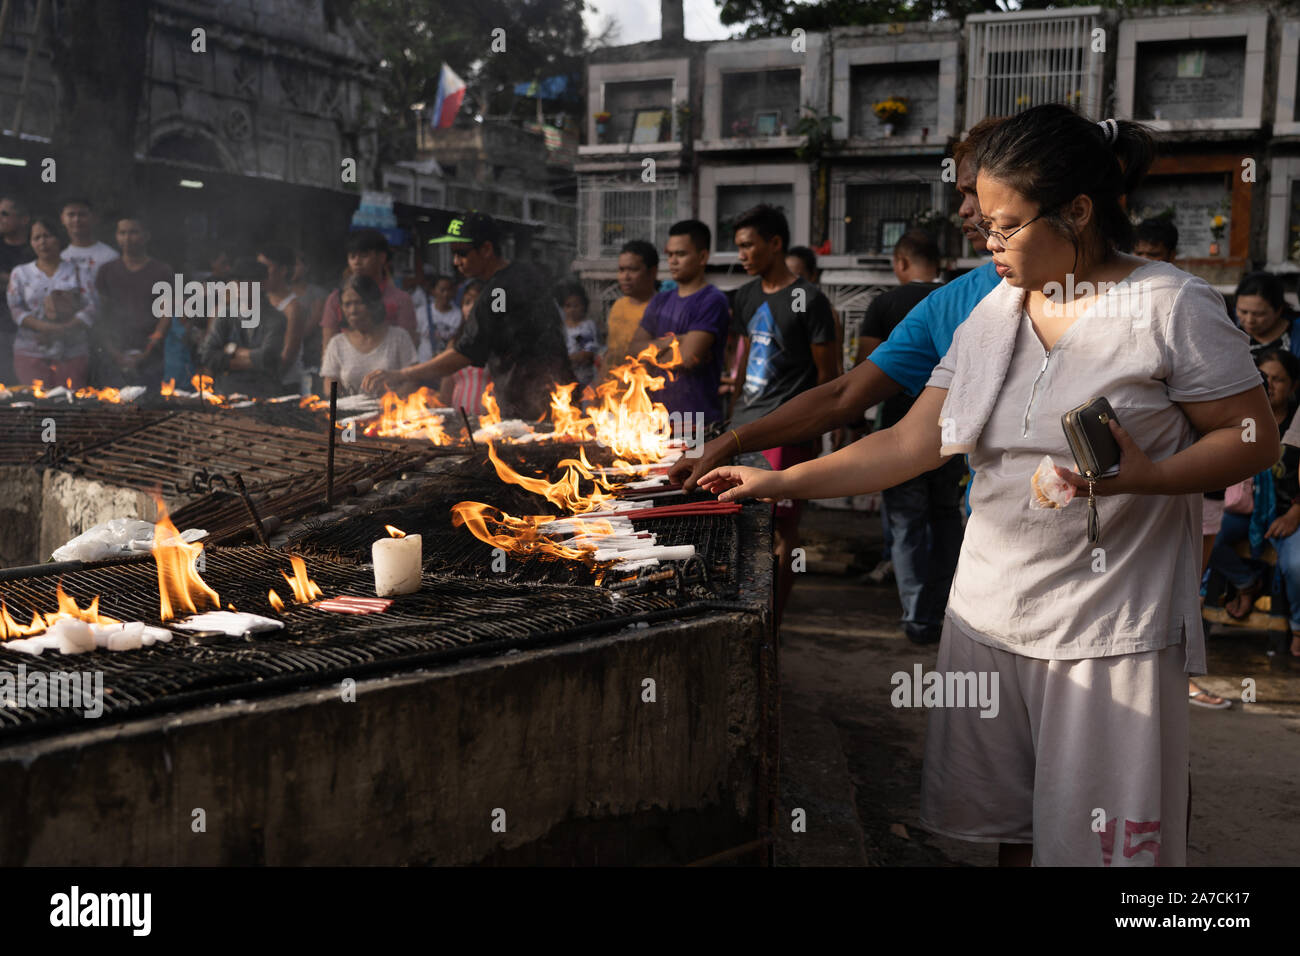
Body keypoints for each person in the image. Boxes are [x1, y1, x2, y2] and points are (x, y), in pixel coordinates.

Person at [700, 105, 1276, 867]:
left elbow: (1250, 437)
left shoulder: (1168, 305)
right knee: (1008, 829)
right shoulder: (993, 311)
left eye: (1006, 227)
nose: (988, 242)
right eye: (984, 225)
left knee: (1098, 846)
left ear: (1077, 211)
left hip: (1106, 629)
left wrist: (1154, 476)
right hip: (988, 612)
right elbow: (911, 441)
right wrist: (775, 480)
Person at [669, 117, 1006, 495]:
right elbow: (854, 403)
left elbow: (830, 378)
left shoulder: (1077, 303)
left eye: (971, 192)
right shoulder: (951, 304)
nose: (964, 210)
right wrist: (736, 443)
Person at [723, 205, 839, 629]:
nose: (742, 254)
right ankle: (742, 616)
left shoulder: (810, 299)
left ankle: (772, 622)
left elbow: (829, 377)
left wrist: (827, 429)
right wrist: (730, 419)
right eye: (738, 246)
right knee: (738, 523)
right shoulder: (746, 295)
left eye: (749, 244)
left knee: (780, 531)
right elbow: (739, 364)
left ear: (775, 243)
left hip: (788, 434)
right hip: (743, 429)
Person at [855, 229, 964, 645]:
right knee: (945, 516)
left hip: (898, 435)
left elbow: (864, 371)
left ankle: (919, 619)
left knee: (906, 525)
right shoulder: (962, 298)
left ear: (901, 263)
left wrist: (857, 423)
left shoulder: (885, 303)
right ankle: (949, 608)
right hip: (952, 431)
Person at [361, 211, 572, 420]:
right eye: (453, 253)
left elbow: (465, 353)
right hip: (555, 399)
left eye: (462, 253)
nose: (455, 261)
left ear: (487, 249)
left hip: (533, 407)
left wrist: (402, 374)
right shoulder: (522, 275)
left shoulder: (499, 290)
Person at [1208, 350, 1300, 654]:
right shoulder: (1241, 415)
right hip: (1245, 507)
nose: (1270, 385)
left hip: (1290, 512)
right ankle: (1247, 582)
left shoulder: (1298, 419)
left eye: (1279, 379)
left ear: (1294, 385)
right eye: (1265, 378)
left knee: (1296, 564)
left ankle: (1298, 626)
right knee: (1206, 536)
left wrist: (1295, 513)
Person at [628, 219, 731, 424]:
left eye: (681, 254)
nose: (673, 261)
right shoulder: (660, 300)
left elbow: (685, 359)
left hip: (697, 421)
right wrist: (676, 341)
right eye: (670, 254)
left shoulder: (712, 300)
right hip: (657, 420)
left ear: (702, 257)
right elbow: (633, 350)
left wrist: (653, 351)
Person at [7, 216, 93, 388]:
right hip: (30, 352)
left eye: (47, 236)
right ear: (31, 242)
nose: (42, 242)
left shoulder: (78, 271)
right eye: (36, 238)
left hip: (72, 351)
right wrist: (45, 328)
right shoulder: (20, 273)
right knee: (36, 403)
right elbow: (16, 309)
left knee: (70, 403)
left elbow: (92, 306)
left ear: (59, 239)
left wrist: (65, 328)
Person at [91, 215, 174, 387]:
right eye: (122, 232)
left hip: (151, 353)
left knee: (149, 406)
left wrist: (150, 348)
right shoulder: (106, 271)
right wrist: (113, 352)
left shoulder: (161, 271)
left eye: (133, 232)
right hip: (114, 350)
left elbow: (167, 313)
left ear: (146, 236)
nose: (127, 238)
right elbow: (101, 314)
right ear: (116, 236)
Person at [319, 229, 417, 359]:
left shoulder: (401, 300)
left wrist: (398, 378)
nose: (357, 262)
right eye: (352, 256)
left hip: (390, 375)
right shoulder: (335, 299)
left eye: (364, 255)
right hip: (345, 377)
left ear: (382, 257)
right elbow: (328, 358)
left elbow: (408, 354)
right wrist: (334, 380)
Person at [196, 259, 287, 398]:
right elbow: (208, 355)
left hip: (264, 395)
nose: (238, 285)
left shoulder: (276, 318)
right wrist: (251, 360)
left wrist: (231, 350)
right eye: (236, 280)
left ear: (262, 284)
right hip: (226, 393)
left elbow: (267, 358)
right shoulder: (224, 315)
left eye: (246, 280)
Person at [320, 274, 417, 397]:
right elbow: (330, 383)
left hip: (392, 413)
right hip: (350, 413)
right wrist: (336, 407)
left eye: (359, 302)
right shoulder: (337, 344)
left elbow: (412, 382)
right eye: (347, 304)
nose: (352, 310)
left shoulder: (399, 338)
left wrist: (389, 403)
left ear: (373, 303)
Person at [256, 243, 310, 393]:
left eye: (265, 267)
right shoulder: (258, 300)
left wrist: (264, 381)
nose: (260, 272)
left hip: (284, 385)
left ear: (283, 270)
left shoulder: (293, 308)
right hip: (258, 381)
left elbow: (287, 355)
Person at [603, 240, 659, 374]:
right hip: (612, 389)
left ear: (652, 272)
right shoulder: (618, 306)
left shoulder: (661, 309)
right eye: (622, 270)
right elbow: (611, 354)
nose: (625, 277)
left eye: (633, 270)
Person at [59, 198, 117, 322]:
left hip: (103, 327)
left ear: (94, 218)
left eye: (82, 214)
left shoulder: (110, 256)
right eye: (71, 215)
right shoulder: (59, 257)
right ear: (62, 219)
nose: (76, 219)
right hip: (66, 328)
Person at [0, 195, 35, 383]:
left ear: (24, 219)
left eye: (5, 214)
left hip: (33, 331)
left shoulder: (37, 247)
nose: (0, 218)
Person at [443, 279, 490, 415]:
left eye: (477, 302)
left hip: (491, 424)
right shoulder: (454, 343)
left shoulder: (497, 342)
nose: (470, 307)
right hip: (459, 422)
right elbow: (445, 392)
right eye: (467, 302)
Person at [1233, 271, 1298, 358]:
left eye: (1259, 314)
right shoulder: (1231, 330)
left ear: (1278, 310)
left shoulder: (1296, 338)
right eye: (1243, 312)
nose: (1249, 320)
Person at [559, 280, 600, 388]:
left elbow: (588, 352)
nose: (572, 309)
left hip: (583, 379)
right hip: (564, 378)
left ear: (584, 306)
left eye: (576, 305)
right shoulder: (561, 328)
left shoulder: (584, 328)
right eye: (568, 306)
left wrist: (567, 359)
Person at [414, 274, 461, 365]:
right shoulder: (421, 313)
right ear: (433, 291)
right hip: (424, 364)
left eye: (449, 290)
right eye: (442, 290)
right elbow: (415, 340)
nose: (446, 294)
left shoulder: (458, 315)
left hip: (447, 366)